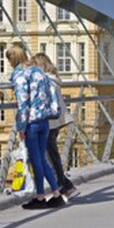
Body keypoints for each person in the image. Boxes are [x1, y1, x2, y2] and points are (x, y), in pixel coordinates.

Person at [6, 44, 65, 209]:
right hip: (44, 121)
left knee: (35, 160)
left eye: (9, 60)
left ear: (13, 59)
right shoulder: (38, 71)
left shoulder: (20, 75)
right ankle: (55, 194)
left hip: (31, 123)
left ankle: (42, 197)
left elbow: (23, 103)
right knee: (41, 159)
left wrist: (21, 127)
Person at [31, 52, 78, 199]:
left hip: (49, 121)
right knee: (51, 153)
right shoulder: (53, 79)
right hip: (55, 120)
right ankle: (64, 185)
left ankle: (65, 186)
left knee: (49, 154)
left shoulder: (46, 81)